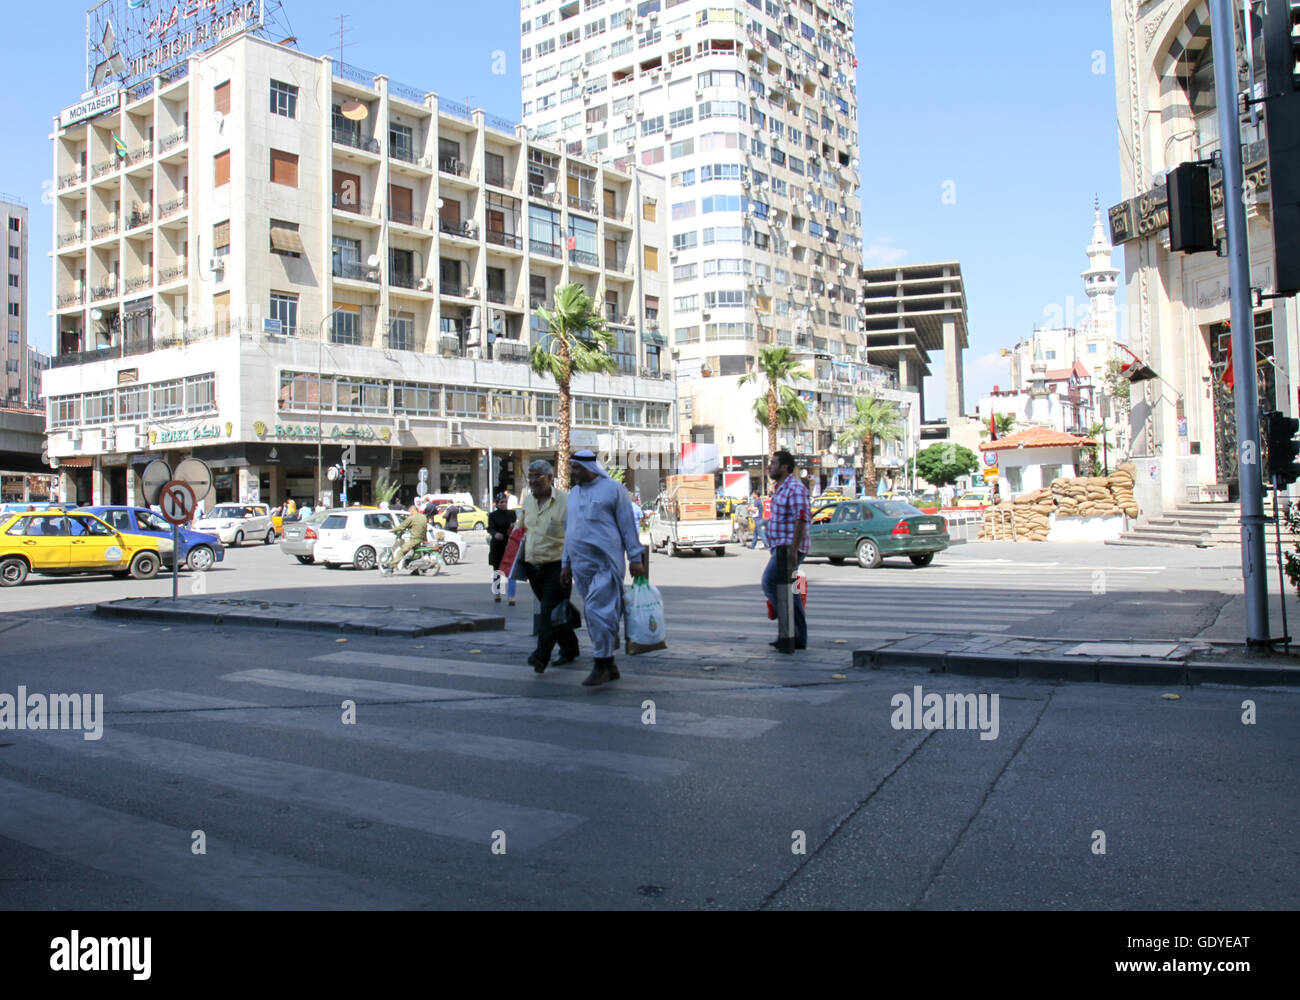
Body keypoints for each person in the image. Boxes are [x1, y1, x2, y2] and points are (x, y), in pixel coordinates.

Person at [561, 450, 647, 686]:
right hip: (581, 566)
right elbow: (570, 530)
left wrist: (635, 558)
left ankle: (600, 664)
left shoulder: (614, 489)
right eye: (572, 468)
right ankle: (609, 664)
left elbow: (628, 526)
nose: (573, 473)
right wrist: (565, 563)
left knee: (598, 613)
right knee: (598, 614)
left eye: (577, 468)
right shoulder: (573, 494)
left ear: (590, 468)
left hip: (606, 564)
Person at [521, 460, 579, 673]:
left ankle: (540, 657)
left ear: (550, 478)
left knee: (547, 613)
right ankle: (570, 648)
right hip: (533, 568)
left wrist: (569, 565)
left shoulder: (566, 501)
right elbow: (521, 530)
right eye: (531, 476)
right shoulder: (527, 502)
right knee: (556, 613)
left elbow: (574, 535)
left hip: (558, 567)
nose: (533, 480)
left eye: (538, 476)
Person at [762, 450, 811, 654]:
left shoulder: (795, 488)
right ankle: (794, 634)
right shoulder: (781, 488)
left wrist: (793, 549)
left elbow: (801, 518)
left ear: (784, 467)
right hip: (780, 549)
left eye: (773, 463)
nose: (769, 466)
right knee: (790, 592)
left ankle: (791, 629)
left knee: (770, 582)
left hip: (788, 548)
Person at [488, 492, 518, 605]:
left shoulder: (512, 513)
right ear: (497, 503)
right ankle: (497, 593)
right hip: (497, 545)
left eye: (505, 502)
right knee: (497, 570)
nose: (504, 504)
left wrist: (513, 527)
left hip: (510, 545)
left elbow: (515, 526)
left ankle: (511, 596)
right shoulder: (492, 515)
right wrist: (495, 534)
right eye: (501, 502)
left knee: (511, 571)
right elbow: (490, 528)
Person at [386, 504, 428, 569]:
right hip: (423, 538)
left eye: (410, 512)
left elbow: (402, 526)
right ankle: (414, 567)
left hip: (415, 538)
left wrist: (391, 530)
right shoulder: (423, 516)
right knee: (416, 553)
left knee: (402, 551)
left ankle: (393, 564)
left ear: (412, 510)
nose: (410, 513)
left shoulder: (411, 518)